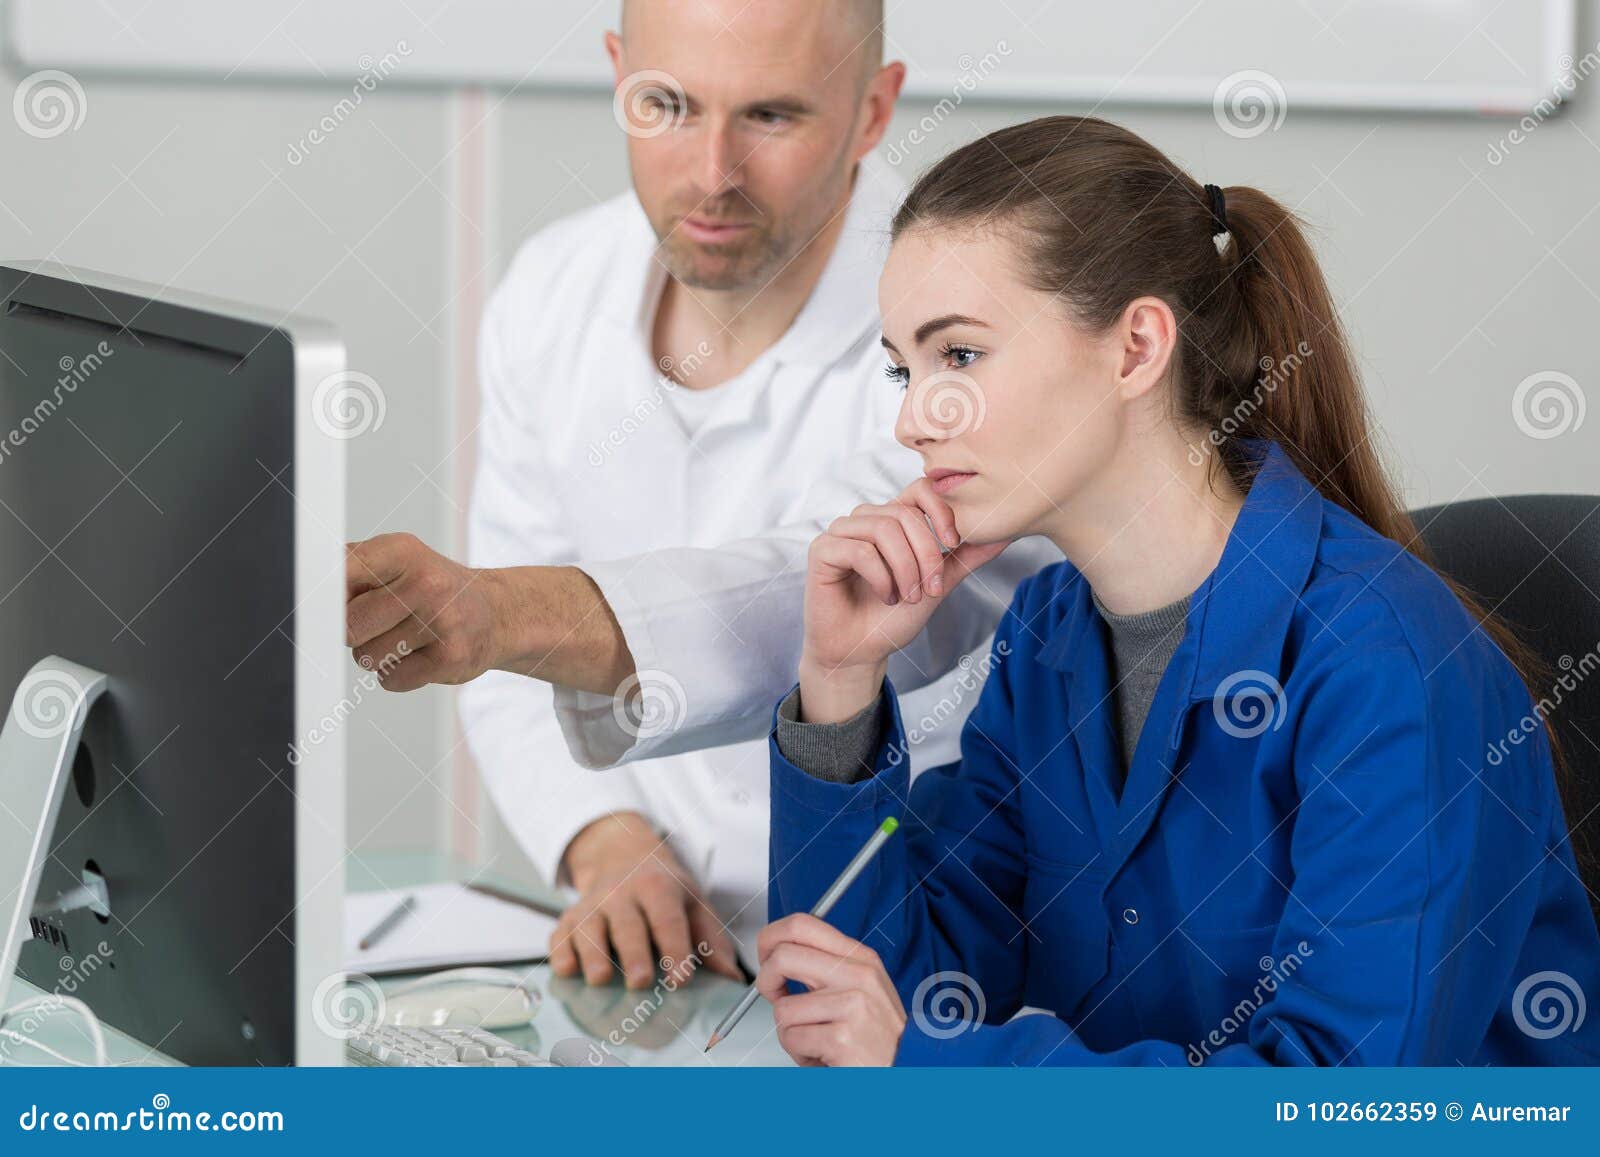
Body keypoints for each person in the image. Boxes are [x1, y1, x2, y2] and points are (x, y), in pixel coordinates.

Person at [753, 115, 1600, 1066]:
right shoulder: (1047, 641)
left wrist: (928, 1068)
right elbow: (863, 1004)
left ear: (1136, 347)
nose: (914, 418)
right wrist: (840, 679)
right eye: (903, 369)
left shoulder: (1386, 668)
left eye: (959, 356)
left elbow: (1334, 1105)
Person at [343, 0, 1056, 985]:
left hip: (906, 949)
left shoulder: (968, 322)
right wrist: (605, 841)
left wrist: (497, 610)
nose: (712, 171)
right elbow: (513, 692)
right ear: (615, 75)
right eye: (668, 104)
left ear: (873, 111)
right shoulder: (554, 288)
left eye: (771, 116)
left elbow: (830, 594)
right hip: (645, 959)